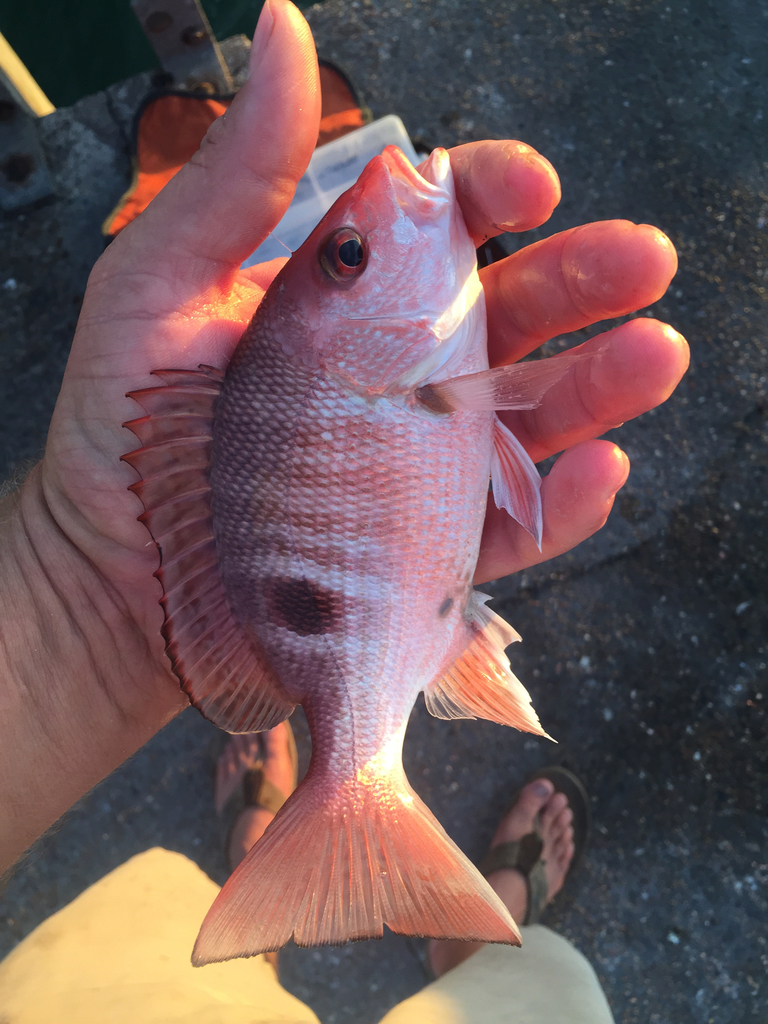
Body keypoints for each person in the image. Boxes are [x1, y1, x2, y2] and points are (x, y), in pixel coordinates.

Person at [0, 0, 689, 1019]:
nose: (373, 212)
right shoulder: (416, 369)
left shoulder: (408, 365)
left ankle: (274, 856)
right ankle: (461, 927)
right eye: (348, 258)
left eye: (341, 252)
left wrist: (62, 588)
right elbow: (471, 424)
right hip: (369, 601)